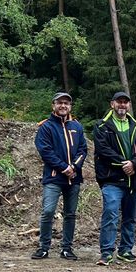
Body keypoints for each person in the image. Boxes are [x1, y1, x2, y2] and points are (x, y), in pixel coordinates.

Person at [93, 90, 136, 265]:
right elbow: (103, 151)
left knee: (130, 218)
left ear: (129, 105)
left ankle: (125, 250)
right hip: (112, 179)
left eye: (125, 102)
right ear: (112, 104)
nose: (122, 105)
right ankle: (106, 252)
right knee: (110, 214)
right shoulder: (102, 126)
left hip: (134, 180)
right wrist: (125, 164)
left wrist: (134, 164)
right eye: (119, 102)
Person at [33, 91, 88, 260]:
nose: (63, 105)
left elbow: (83, 150)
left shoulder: (77, 127)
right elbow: (45, 151)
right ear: (54, 106)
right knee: (48, 211)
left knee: (70, 213)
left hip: (74, 178)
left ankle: (67, 248)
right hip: (54, 177)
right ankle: (43, 247)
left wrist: (74, 167)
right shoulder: (46, 127)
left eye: (66, 103)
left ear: (70, 106)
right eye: (60, 103)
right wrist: (64, 167)